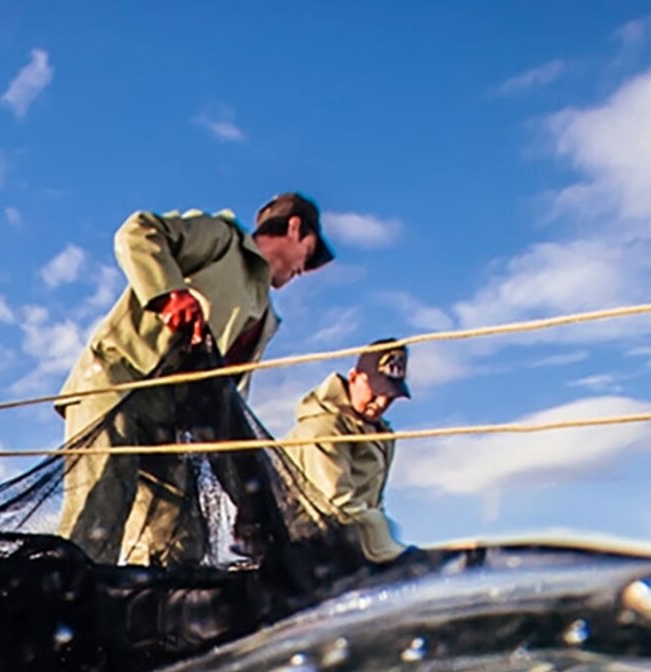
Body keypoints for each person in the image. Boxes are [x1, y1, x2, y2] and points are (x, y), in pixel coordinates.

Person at [54, 193, 330, 567]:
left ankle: (142, 620)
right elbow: (138, 232)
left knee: (180, 539)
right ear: (294, 227)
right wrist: (169, 295)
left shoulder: (265, 318)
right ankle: (61, 614)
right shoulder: (222, 240)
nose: (306, 268)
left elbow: (228, 399)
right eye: (309, 252)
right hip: (115, 384)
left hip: (169, 423)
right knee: (100, 510)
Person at [292, 340, 411, 564]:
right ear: (354, 377)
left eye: (391, 395)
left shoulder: (380, 434)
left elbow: (372, 499)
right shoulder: (323, 427)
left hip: (355, 547)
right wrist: (391, 553)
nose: (382, 403)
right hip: (312, 552)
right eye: (376, 391)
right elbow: (336, 504)